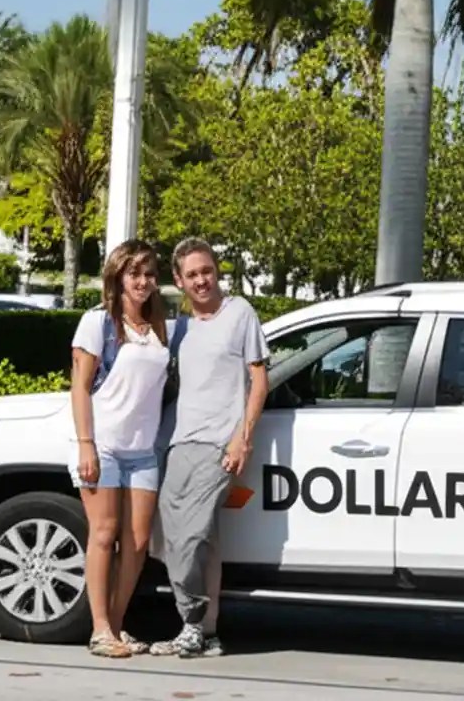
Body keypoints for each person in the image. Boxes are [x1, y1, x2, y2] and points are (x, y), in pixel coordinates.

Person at [148, 236, 269, 658]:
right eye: (192, 275)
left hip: (220, 443)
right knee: (179, 536)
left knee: (192, 535)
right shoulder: (181, 329)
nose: (202, 281)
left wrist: (243, 437)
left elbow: (259, 380)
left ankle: (192, 622)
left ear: (217, 271)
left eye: (207, 271)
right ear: (179, 281)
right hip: (182, 441)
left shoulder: (240, 313)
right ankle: (208, 633)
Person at [68, 239, 171, 658]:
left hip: (142, 449)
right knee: (105, 533)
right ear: (118, 277)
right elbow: (79, 386)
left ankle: (116, 622)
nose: (143, 282)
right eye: (134, 273)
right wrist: (86, 444)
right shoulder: (98, 323)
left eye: (149, 274)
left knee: (138, 541)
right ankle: (99, 629)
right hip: (103, 445)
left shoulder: (162, 325)